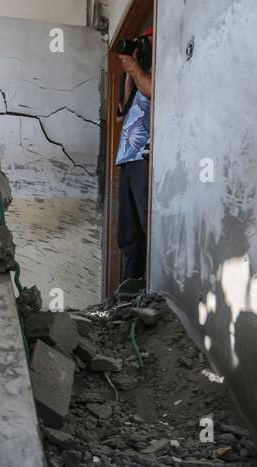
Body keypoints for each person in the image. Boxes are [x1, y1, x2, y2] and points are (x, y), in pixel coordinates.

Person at [115, 33, 154, 286]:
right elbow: (121, 114)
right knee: (128, 232)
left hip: (144, 158)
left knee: (146, 224)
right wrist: (128, 73)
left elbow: (151, 89)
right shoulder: (136, 76)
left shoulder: (154, 73)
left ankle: (150, 285)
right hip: (128, 160)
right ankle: (129, 289)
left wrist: (136, 68)